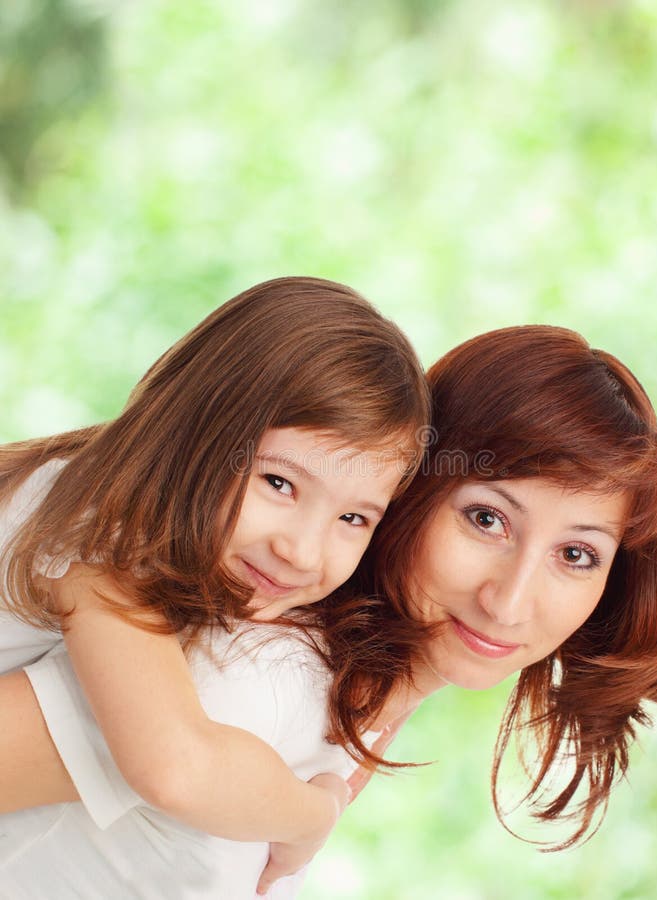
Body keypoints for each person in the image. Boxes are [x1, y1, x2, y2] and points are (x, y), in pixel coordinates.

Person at [0, 325, 657, 897]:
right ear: (408, 494)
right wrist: (310, 813)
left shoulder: (352, 703)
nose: (508, 602)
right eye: (485, 518)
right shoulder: (248, 679)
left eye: (576, 555)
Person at [0, 276, 430, 864]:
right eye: (279, 483)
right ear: (196, 431)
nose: (303, 552)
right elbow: (176, 768)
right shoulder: (104, 533)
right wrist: (315, 814)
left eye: (353, 518)